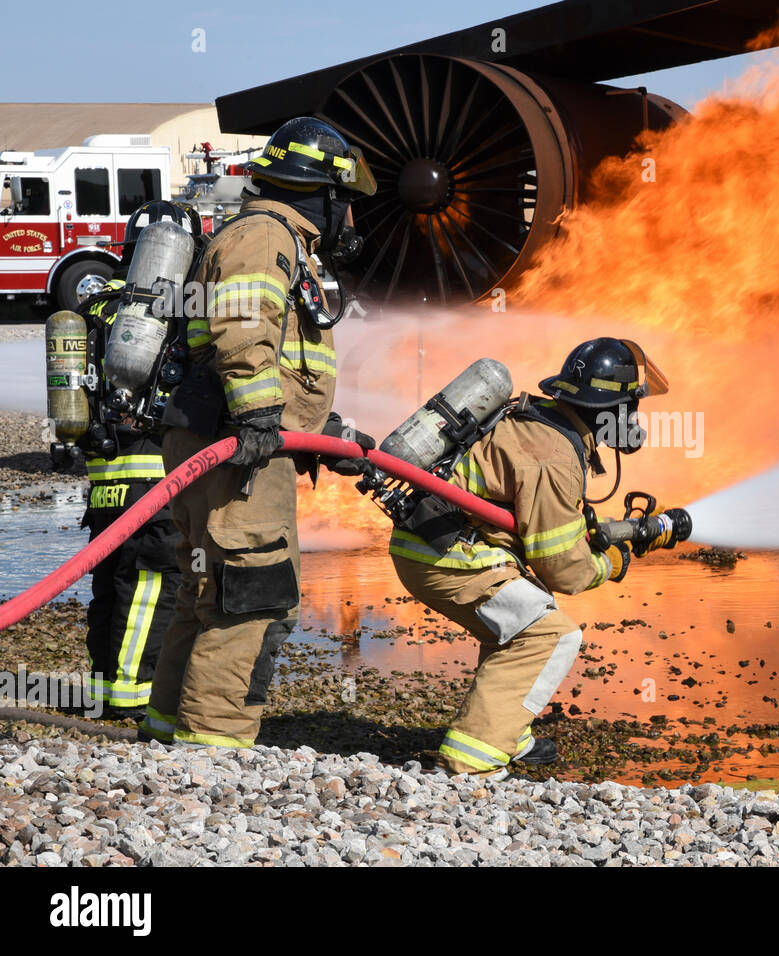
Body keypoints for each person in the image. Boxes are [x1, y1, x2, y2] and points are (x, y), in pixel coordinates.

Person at [140, 117, 376, 748]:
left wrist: (322, 431)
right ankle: (215, 749)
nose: (349, 219)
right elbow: (245, 327)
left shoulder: (272, 238)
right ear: (321, 194)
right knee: (252, 594)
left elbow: (286, 361)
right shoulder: (266, 236)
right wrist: (258, 418)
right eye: (345, 202)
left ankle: (167, 732)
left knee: (207, 590)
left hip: (228, 439)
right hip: (236, 448)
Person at [388, 337, 675, 777]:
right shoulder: (554, 455)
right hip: (445, 555)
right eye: (629, 407)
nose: (633, 419)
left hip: (434, 542)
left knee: (520, 618)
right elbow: (563, 568)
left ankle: (505, 728)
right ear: (608, 409)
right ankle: (471, 761)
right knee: (548, 634)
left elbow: (546, 528)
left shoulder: (542, 422)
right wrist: (611, 565)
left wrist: (617, 535)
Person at [70, 201, 205, 719]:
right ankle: (133, 701)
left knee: (110, 584)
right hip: (157, 473)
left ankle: (103, 693)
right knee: (151, 584)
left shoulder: (95, 304)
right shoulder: (185, 304)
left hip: (104, 476)